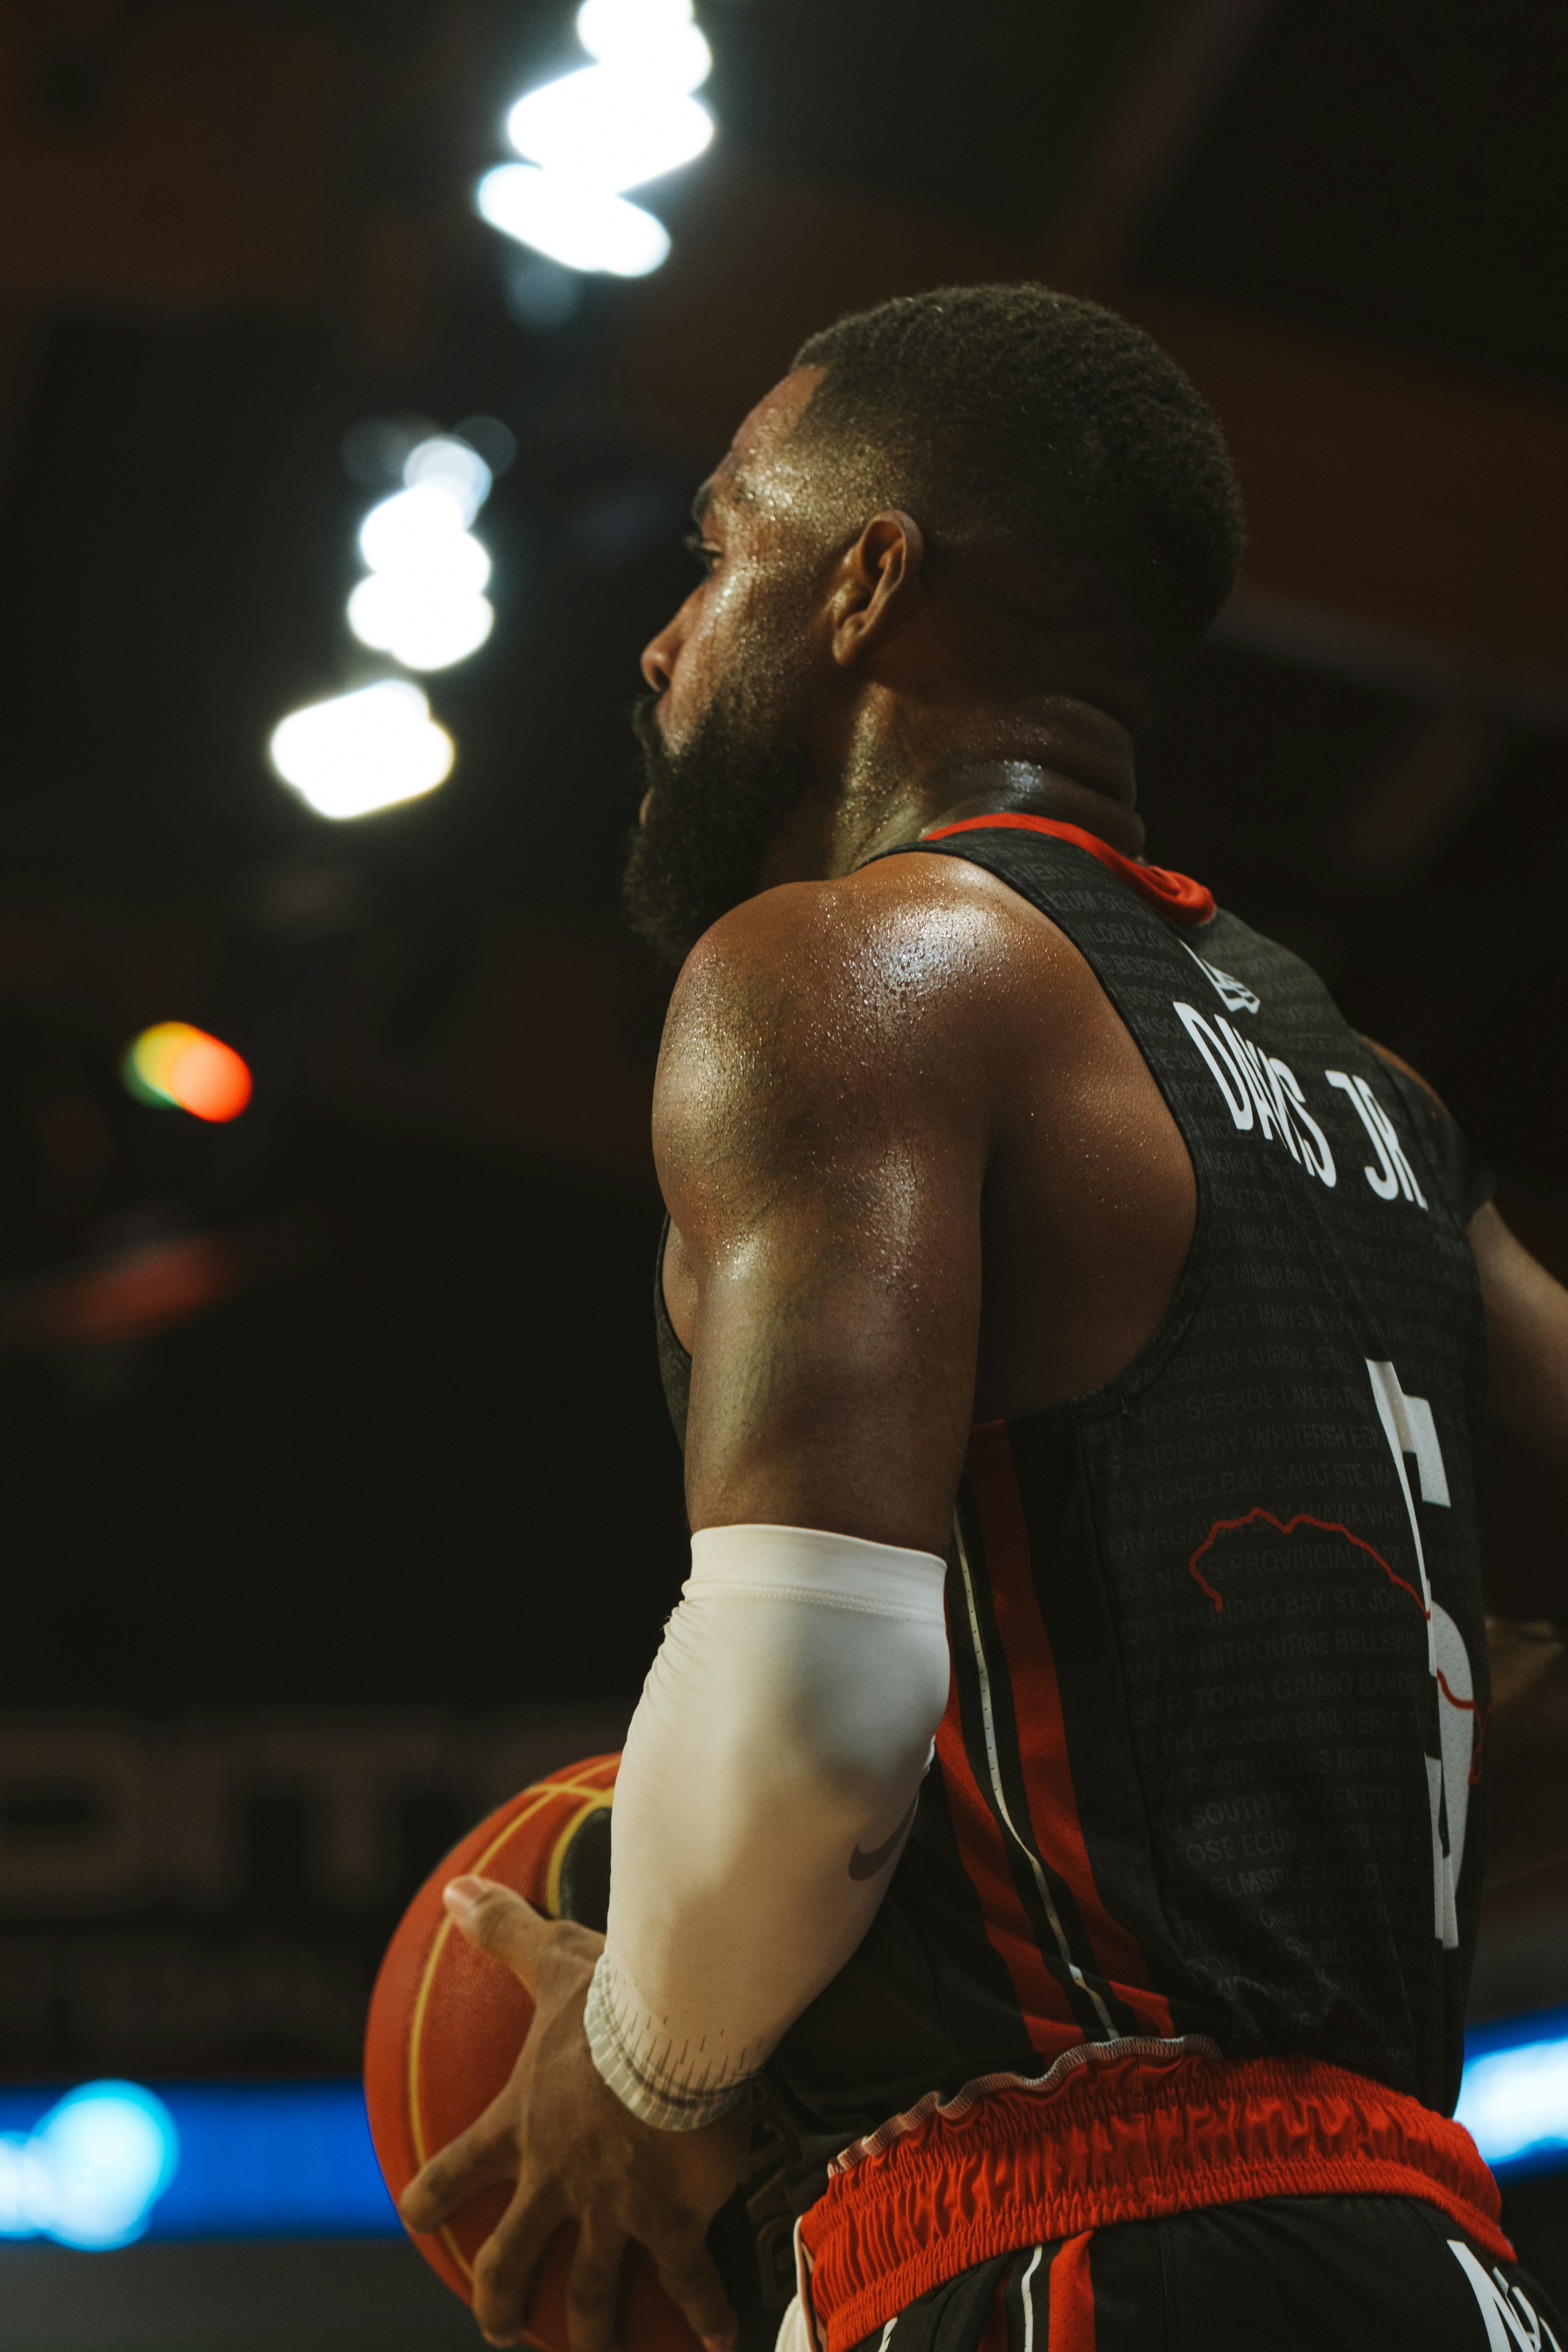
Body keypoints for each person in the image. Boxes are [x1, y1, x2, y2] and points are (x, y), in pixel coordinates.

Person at [400, 287, 1568, 2351]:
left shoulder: (843, 976)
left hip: (1069, 2255)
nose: (667, 642)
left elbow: (809, 1697)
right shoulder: (1379, 1109)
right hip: (1437, 2261)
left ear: (865, 584)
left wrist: (643, 2065)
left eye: (718, 551)